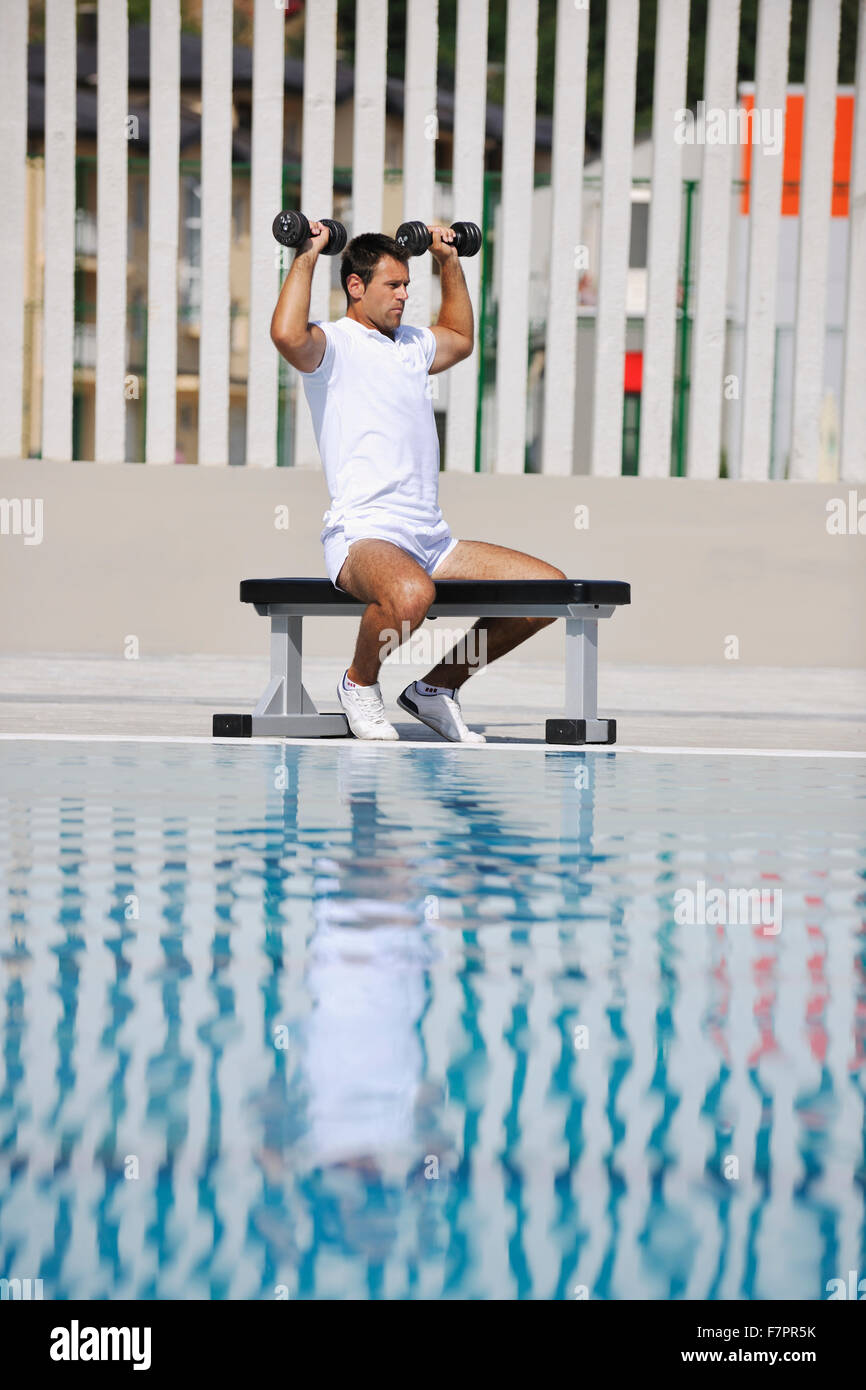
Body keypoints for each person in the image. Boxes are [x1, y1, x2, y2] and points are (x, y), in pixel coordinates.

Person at [270, 221, 565, 742]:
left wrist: (447, 258)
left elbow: (459, 338)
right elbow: (286, 335)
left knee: (547, 591)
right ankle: (359, 683)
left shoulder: (410, 345)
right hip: (365, 535)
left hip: (430, 537)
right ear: (356, 287)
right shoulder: (332, 346)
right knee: (410, 595)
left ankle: (436, 688)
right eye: (393, 285)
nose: (405, 295)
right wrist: (309, 253)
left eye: (408, 285)